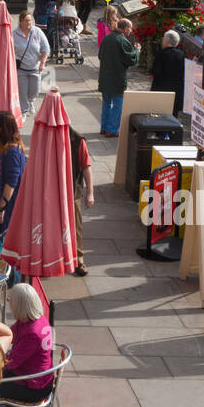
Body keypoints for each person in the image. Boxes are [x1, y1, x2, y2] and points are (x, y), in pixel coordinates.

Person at [0, 283, 54, 400]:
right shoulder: (35, 319)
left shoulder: (32, 334)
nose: (9, 303)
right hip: (35, 375)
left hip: (33, 387)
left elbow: (9, 362)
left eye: (10, 301)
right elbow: (9, 333)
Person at [98, 18, 139, 135]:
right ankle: (112, 129)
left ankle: (104, 127)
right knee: (117, 105)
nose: (131, 31)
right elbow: (131, 60)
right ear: (126, 29)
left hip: (105, 77)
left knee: (106, 103)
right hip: (117, 79)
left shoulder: (106, 38)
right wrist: (137, 51)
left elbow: (100, 55)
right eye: (130, 28)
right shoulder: (122, 41)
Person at [12, 9, 50, 115]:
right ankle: (23, 111)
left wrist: (42, 62)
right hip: (21, 69)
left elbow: (46, 48)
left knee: (35, 90)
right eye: (26, 20)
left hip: (35, 68)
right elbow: (8, 50)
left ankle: (31, 101)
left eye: (30, 20)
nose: (28, 23)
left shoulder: (37, 31)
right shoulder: (14, 34)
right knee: (22, 92)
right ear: (20, 21)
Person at [68, 125, 94, 276]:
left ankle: (79, 260)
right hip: (51, 192)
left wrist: (90, 192)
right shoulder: (47, 136)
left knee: (75, 227)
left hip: (73, 191)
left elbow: (86, 167)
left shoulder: (77, 140)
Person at [150, 29, 186, 114]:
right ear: (176, 43)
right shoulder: (181, 54)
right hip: (176, 89)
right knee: (173, 114)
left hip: (161, 88)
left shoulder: (160, 54)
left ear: (166, 41)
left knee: (159, 113)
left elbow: (155, 71)